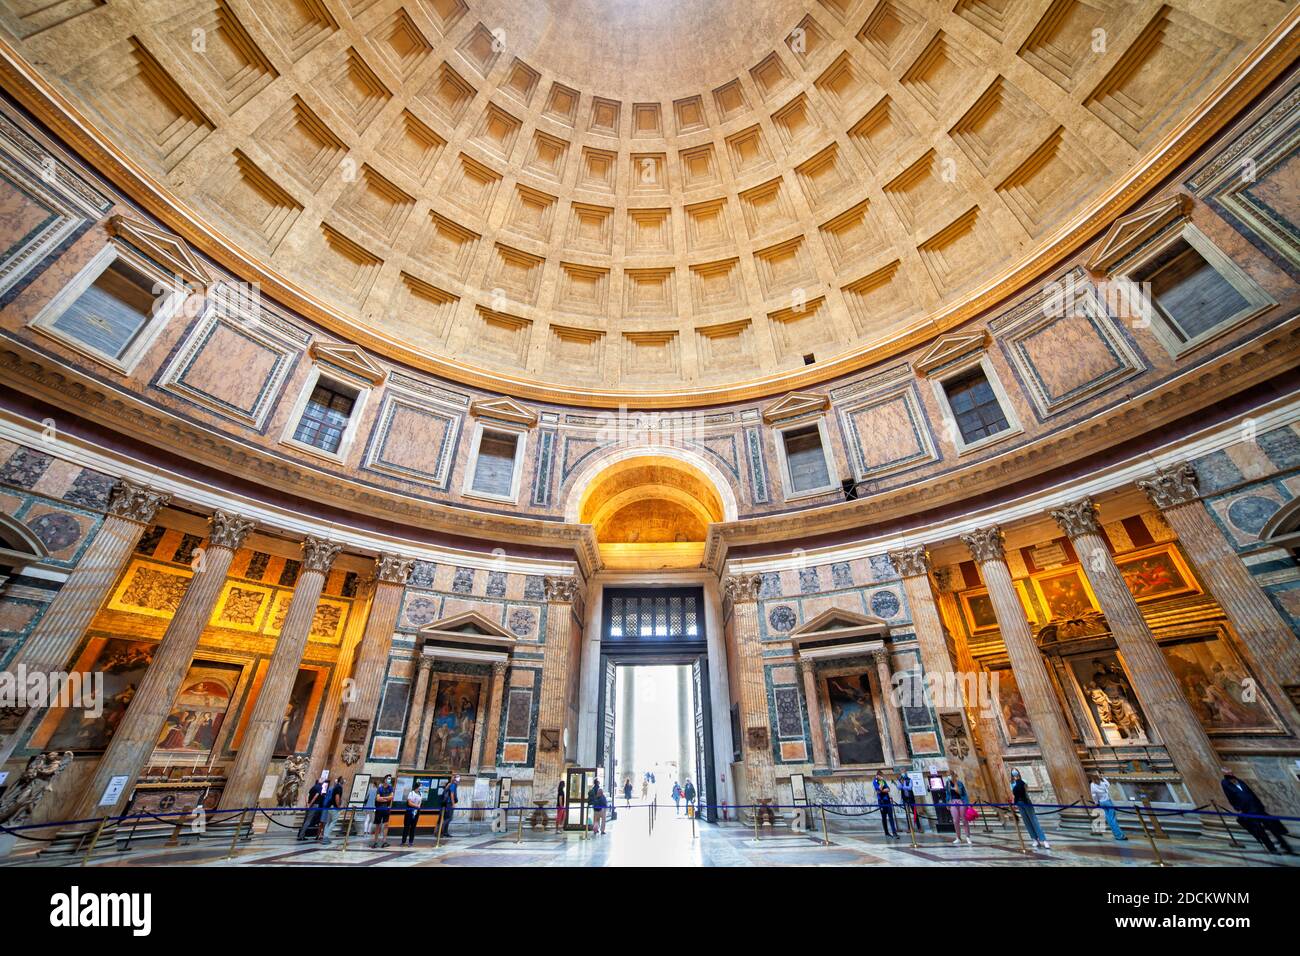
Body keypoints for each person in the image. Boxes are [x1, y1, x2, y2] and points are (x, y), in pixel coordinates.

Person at [1222, 768, 1293, 854]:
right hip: (1247, 810)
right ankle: (1272, 849)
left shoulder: (1239, 780)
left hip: (1257, 807)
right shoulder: (1225, 783)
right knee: (1260, 831)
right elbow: (1229, 796)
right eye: (1228, 771)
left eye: (1230, 770)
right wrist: (1237, 808)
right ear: (1224, 773)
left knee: (1272, 827)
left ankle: (1286, 846)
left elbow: (1251, 792)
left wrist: (1260, 804)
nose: (1230, 771)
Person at [1010, 769, 1049, 849]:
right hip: (1019, 803)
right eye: (1013, 772)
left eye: (1015, 771)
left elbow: (1025, 790)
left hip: (1026, 802)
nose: (1014, 773)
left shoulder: (1024, 781)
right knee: (1027, 822)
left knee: (1034, 820)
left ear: (1018, 772)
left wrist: (1019, 781)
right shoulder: (1011, 784)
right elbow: (1013, 794)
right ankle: (1034, 839)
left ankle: (1044, 840)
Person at [1089, 772, 1126, 842]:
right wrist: (1102, 777)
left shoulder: (1092, 785)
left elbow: (1094, 795)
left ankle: (1117, 834)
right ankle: (1120, 836)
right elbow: (1109, 786)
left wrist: (1096, 803)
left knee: (1109, 819)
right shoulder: (1103, 782)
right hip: (1108, 801)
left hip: (1101, 803)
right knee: (1112, 819)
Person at [299, 771, 331, 841]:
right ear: (322, 783)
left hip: (309, 804)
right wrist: (310, 804)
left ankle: (301, 834)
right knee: (308, 821)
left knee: (306, 820)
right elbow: (315, 796)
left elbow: (307, 795)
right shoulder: (319, 788)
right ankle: (301, 836)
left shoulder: (314, 786)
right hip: (313, 805)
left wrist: (307, 803)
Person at [946, 772, 971, 845]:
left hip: (961, 802)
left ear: (953, 775)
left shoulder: (959, 783)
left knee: (964, 819)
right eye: (947, 775)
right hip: (952, 802)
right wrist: (947, 803)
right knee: (955, 820)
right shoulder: (947, 783)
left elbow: (962, 793)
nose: (948, 777)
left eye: (949, 775)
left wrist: (967, 803)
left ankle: (968, 837)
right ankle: (958, 837)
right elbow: (947, 793)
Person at [319, 773, 344, 844]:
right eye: (343, 780)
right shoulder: (339, 787)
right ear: (340, 780)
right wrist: (338, 806)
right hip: (334, 807)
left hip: (330, 806)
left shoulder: (335, 787)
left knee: (328, 822)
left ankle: (325, 836)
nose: (344, 781)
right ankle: (326, 836)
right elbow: (337, 797)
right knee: (333, 822)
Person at [370, 774, 394, 848]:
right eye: (388, 778)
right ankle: (375, 841)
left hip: (386, 808)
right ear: (385, 779)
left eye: (390, 779)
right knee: (378, 825)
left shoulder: (390, 788)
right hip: (379, 808)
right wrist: (386, 798)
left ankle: (384, 841)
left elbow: (391, 797)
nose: (389, 780)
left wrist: (383, 798)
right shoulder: (380, 788)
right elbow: (377, 799)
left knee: (386, 825)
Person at [874, 773, 898, 839]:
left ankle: (894, 832)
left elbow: (888, 789)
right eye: (880, 776)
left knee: (891, 816)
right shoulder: (875, 782)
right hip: (881, 801)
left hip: (887, 800)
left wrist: (882, 790)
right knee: (884, 817)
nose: (882, 777)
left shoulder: (883, 781)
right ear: (877, 776)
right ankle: (886, 832)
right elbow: (878, 790)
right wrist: (882, 787)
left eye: (882, 776)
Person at [400, 781, 424, 847]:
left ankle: (411, 841)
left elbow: (420, 802)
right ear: (417, 787)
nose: (421, 787)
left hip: (416, 812)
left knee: (413, 827)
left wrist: (418, 807)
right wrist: (416, 806)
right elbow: (409, 803)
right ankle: (403, 841)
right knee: (406, 826)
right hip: (410, 811)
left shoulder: (421, 794)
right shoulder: (411, 793)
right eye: (420, 786)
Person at [441, 773, 460, 838]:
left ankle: (445, 832)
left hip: (448, 803)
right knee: (448, 818)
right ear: (454, 779)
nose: (459, 779)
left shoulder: (451, 785)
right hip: (449, 803)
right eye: (457, 777)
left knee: (447, 818)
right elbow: (452, 794)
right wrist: (453, 803)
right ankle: (442, 832)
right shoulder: (453, 785)